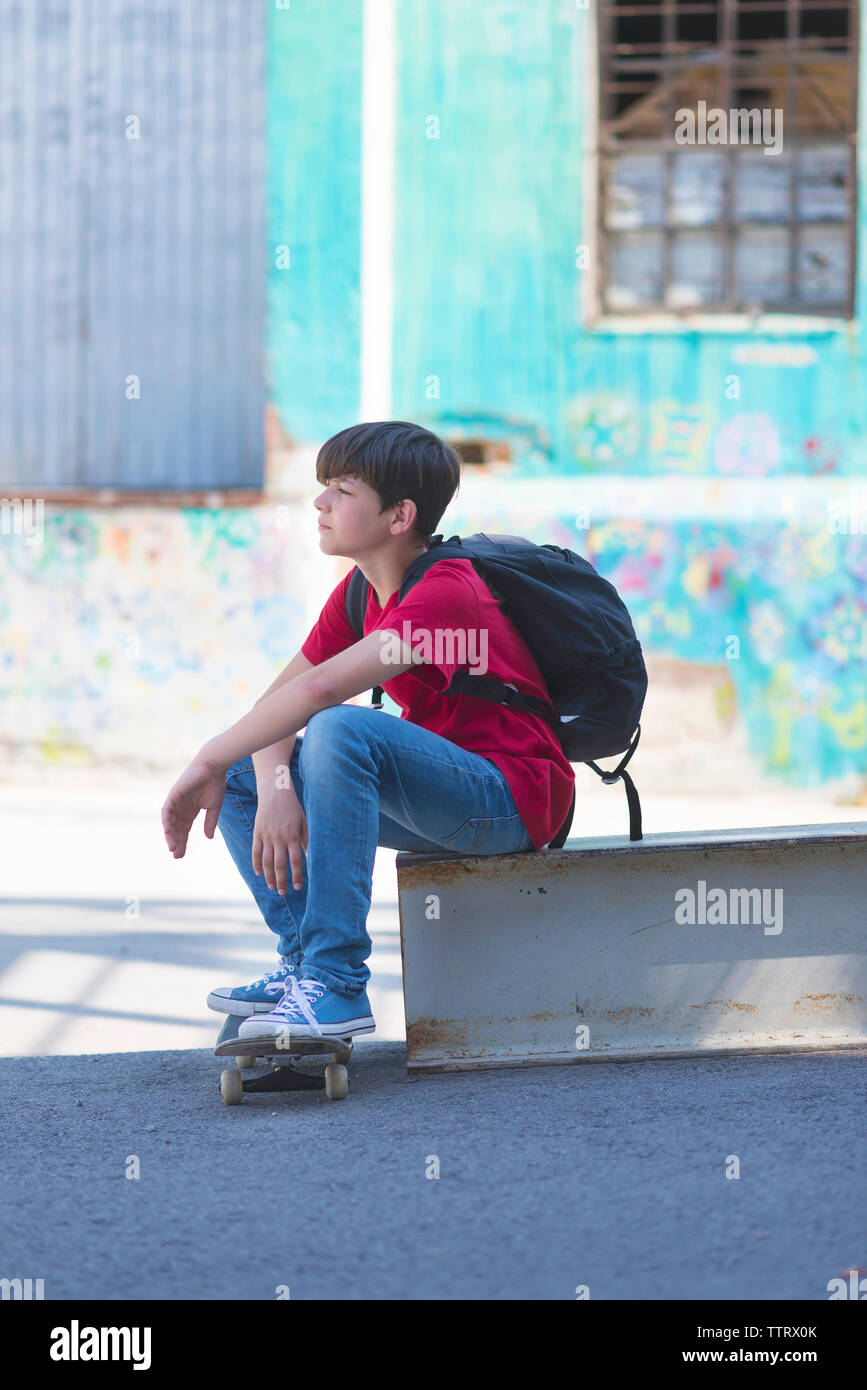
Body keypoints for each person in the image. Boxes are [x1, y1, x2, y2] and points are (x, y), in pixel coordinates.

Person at [160, 420, 575, 1042]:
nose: (320, 503)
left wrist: (205, 758)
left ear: (399, 514)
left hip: (510, 800)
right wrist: (273, 787)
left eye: (342, 490)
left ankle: (337, 982)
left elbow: (319, 695)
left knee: (340, 729)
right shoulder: (361, 593)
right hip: (438, 797)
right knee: (249, 771)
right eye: (322, 487)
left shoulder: (447, 591)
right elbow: (280, 700)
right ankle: (302, 963)